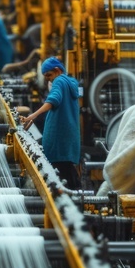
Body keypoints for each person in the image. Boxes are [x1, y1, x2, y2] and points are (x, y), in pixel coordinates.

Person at [19, 57, 81, 189]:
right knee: (66, 167)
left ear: (57, 70)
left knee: (59, 169)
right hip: (69, 134)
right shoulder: (71, 83)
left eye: (49, 75)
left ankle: (73, 196)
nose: (47, 78)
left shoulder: (58, 81)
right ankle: (77, 193)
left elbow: (53, 100)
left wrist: (32, 116)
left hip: (58, 134)